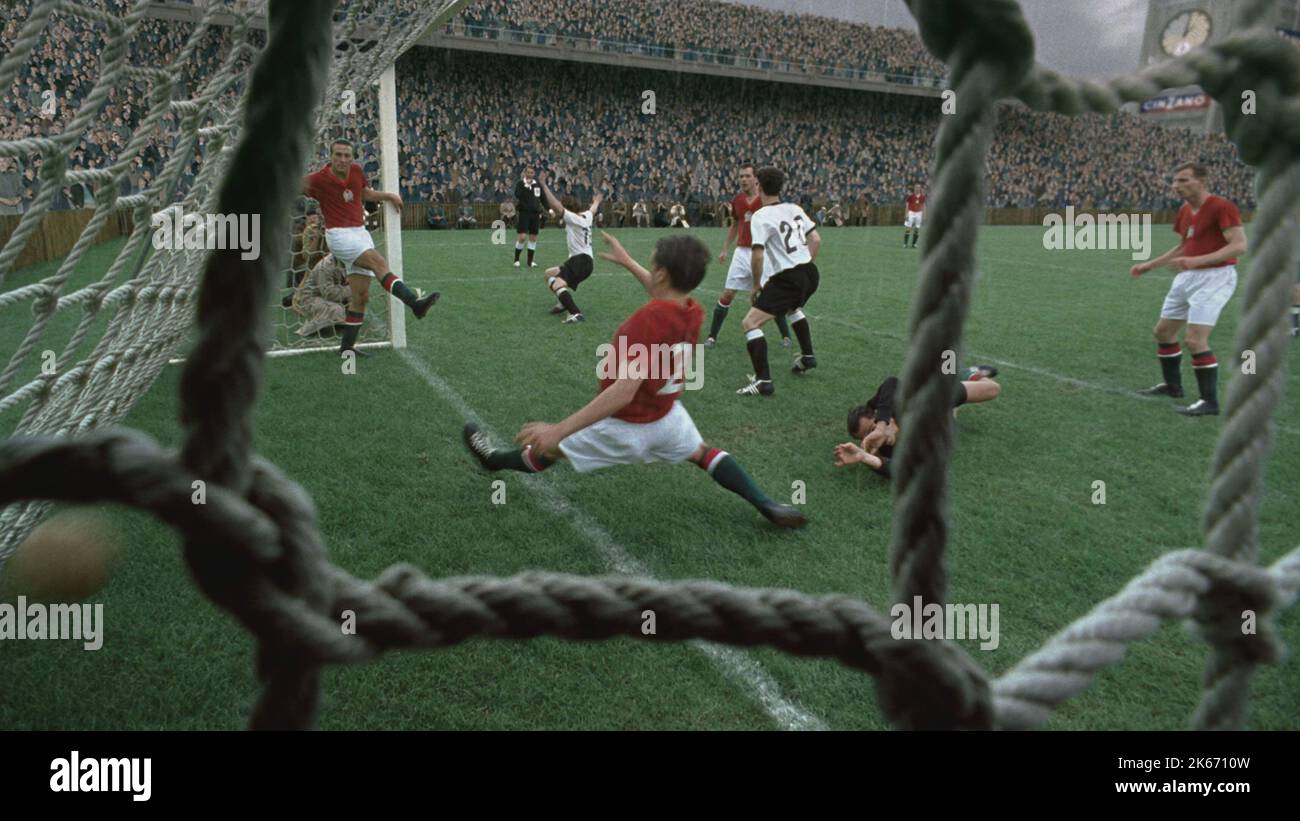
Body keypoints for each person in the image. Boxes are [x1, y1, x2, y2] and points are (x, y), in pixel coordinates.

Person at [462, 232, 806, 529]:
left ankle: (492, 460)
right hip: (667, 416)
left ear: (661, 273)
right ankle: (766, 503)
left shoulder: (645, 322)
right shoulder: (691, 309)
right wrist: (628, 262)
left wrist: (559, 428)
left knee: (546, 449)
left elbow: (624, 392)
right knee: (702, 453)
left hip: (625, 426)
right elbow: (662, 298)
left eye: (651, 262)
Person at [303, 139, 439, 358]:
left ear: (352, 157)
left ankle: (346, 348)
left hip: (360, 233)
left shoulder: (356, 171)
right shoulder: (318, 179)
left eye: (347, 155)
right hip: (338, 235)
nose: (343, 159)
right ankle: (415, 303)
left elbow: (364, 193)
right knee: (379, 263)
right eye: (338, 155)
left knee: (360, 296)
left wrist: (388, 196)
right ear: (330, 156)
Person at [1130, 161, 1247, 416]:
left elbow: (1239, 245)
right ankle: (1173, 386)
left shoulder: (1221, 207)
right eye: (1175, 181)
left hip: (1216, 276)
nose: (1176, 186)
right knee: (1163, 331)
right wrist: (1150, 265)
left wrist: (1197, 261)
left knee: (1194, 339)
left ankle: (1209, 402)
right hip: (1188, 276)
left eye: (1184, 180)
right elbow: (1185, 245)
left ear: (1202, 182)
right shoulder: (1184, 210)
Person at [735, 167, 820, 397]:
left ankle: (764, 381)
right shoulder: (794, 208)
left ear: (759, 186)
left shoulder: (761, 216)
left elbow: (758, 254)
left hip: (788, 277)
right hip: (811, 273)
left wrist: (756, 285)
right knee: (793, 307)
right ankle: (808, 356)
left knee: (750, 323)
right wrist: (804, 263)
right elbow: (815, 238)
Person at [834, 367, 1000, 477]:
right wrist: (864, 456)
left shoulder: (884, 409)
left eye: (871, 429)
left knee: (992, 389)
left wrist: (882, 425)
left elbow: (892, 382)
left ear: (876, 416)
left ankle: (969, 374)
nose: (872, 436)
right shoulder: (879, 450)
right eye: (866, 437)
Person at [706, 162, 791, 350]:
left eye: (747, 176)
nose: (743, 179)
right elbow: (735, 224)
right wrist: (725, 248)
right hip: (742, 252)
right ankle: (712, 336)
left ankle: (786, 336)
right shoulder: (737, 200)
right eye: (741, 176)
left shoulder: (767, 200)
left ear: (756, 180)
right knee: (728, 293)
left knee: (770, 294)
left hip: (764, 253)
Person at [537, 171, 601, 324]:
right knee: (548, 274)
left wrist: (544, 185)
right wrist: (597, 200)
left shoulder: (572, 218)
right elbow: (593, 209)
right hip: (585, 262)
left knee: (557, 284)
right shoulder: (586, 215)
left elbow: (556, 206)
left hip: (579, 261)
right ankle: (563, 302)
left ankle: (576, 313)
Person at [291, 254, 351, 338]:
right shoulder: (326, 265)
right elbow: (329, 293)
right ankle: (315, 329)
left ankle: (336, 322)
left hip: (330, 296)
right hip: (310, 299)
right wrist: (351, 289)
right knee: (336, 310)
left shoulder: (347, 261)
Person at [513, 165, 543, 267]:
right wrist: (526, 186)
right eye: (528, 172)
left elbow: (542, 198)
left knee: (533, 238)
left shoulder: (537, 184)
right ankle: (516, 259)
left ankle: (530, 262)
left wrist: (549, 209)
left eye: (532, 173)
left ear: (534, 174)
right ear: (525, 173)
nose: (530, 175)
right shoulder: (520, 184)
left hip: (535, 214)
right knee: (522, 237)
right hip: (524, 213)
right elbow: (517, 195)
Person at [903, 183, 925, 248]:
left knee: (917, 229)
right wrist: (906, 214)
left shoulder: (922, 197)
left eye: (919, 187)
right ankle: (905, 244)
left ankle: (914, 244)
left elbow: (923, 206)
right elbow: (907, 205)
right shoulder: (910, 196)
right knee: (908, 228)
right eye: (916, 187)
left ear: (920, 189)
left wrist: (923, 215)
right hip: (911, 213)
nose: (918, 189)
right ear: (914, 188)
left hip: (919, 213)